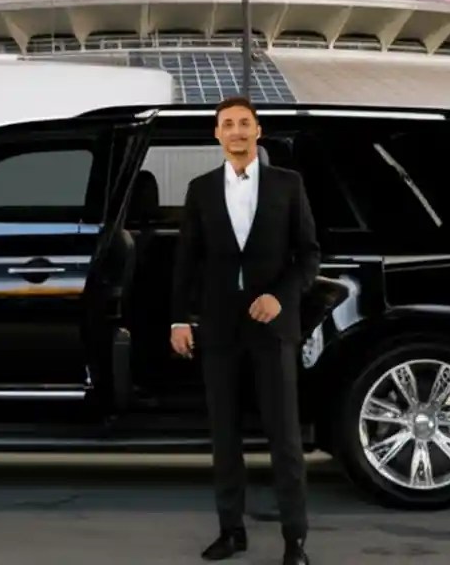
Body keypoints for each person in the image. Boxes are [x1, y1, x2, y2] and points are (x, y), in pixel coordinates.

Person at [170, 96, 320, 565]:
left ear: (258, 130)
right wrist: (179, 317)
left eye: (244, 123)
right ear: (217, 134)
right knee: (224, 436)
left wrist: (281, 297)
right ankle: (230, 531)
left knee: (285, 438)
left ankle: (295, 541)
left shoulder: (288, 185)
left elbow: (309, 255)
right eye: (228, 124)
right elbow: (187, 259)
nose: (236, 131)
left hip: (272, 327)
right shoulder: (200, 189)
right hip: (218, 328)